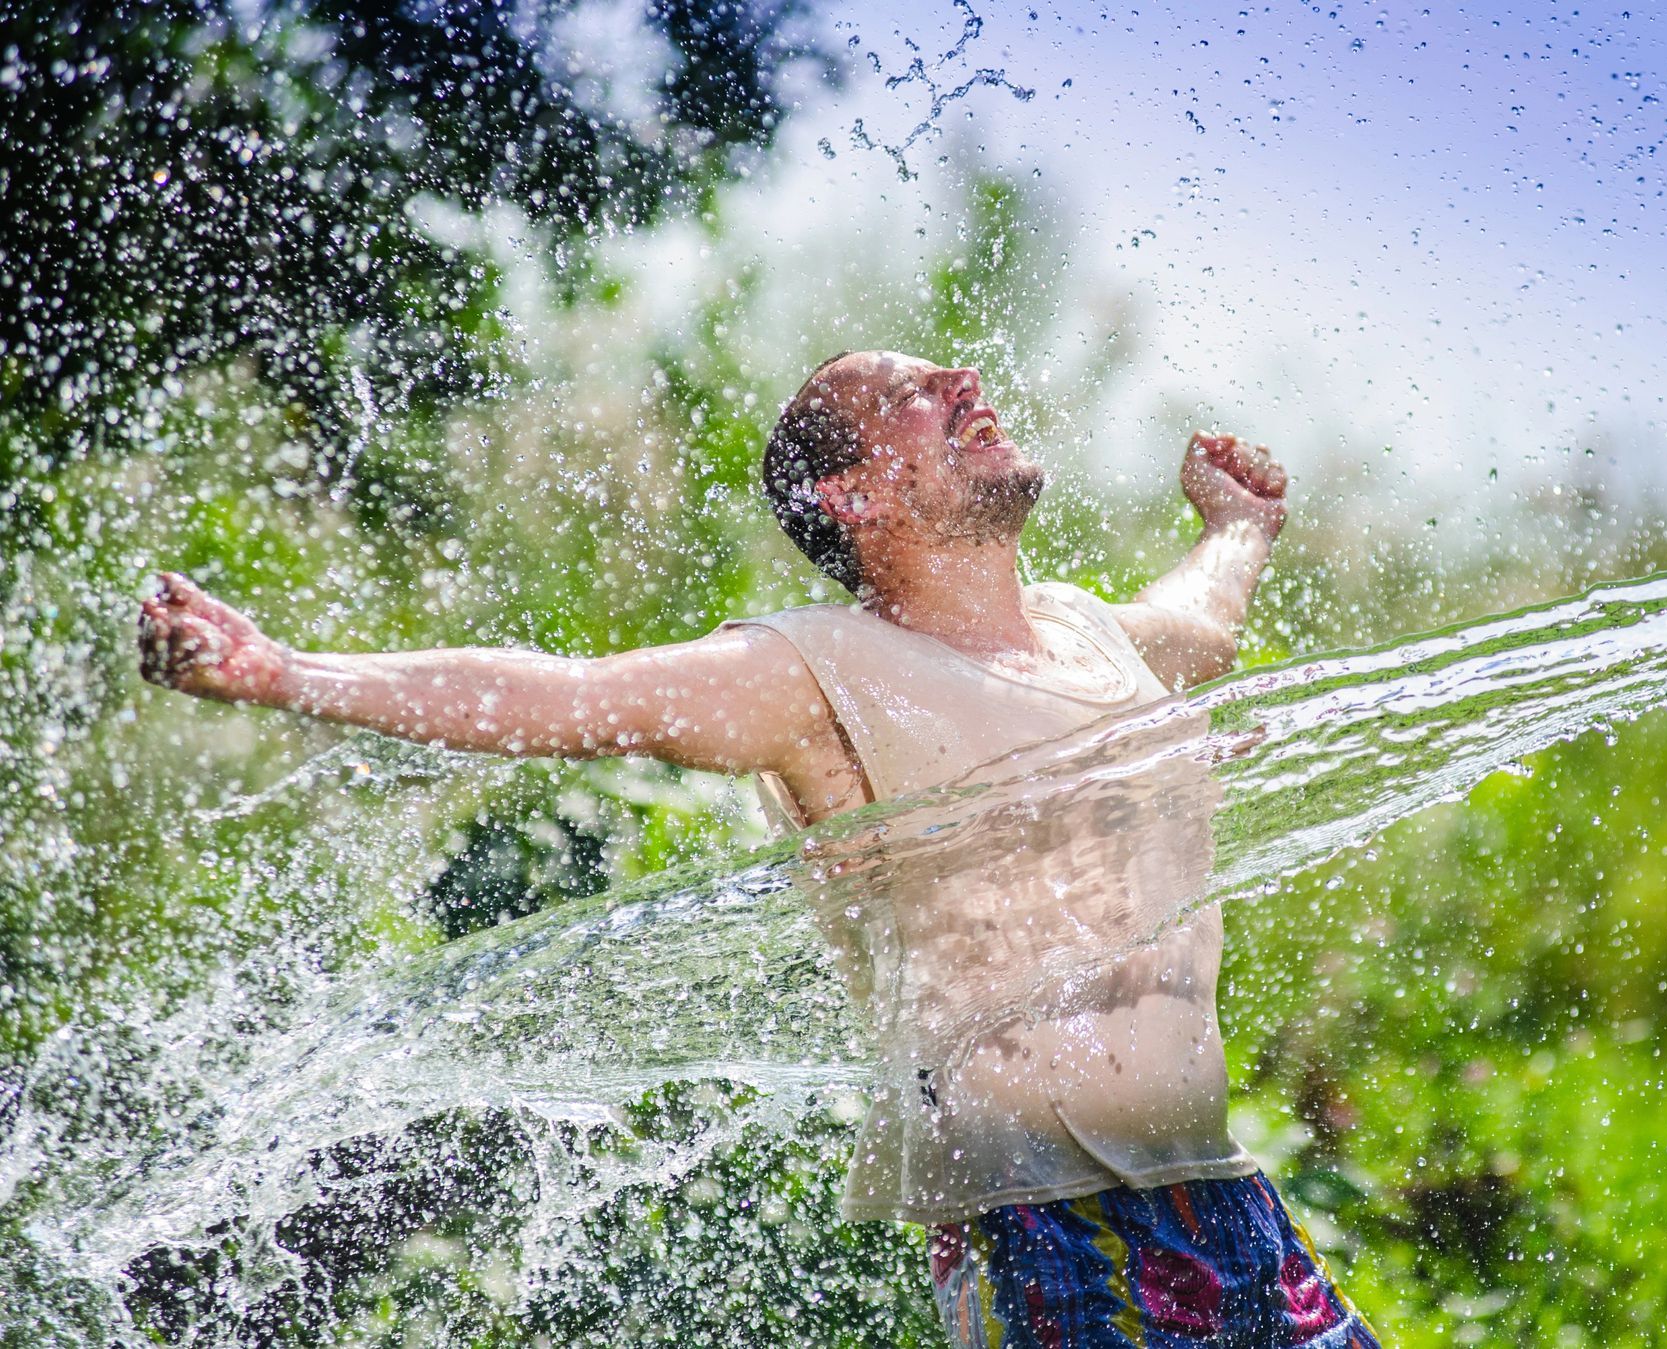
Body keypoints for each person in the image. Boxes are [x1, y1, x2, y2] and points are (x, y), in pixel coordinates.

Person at [138, 350, 1384, 1348]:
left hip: (1223, 1190)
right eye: (912, 395)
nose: (961, 384)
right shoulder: (810, 673)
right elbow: (565, 696)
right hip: (1036, 1217)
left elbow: (1201, 622)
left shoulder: (1089, 633)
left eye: (952, 375)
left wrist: (1241, 524)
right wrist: (293, 673)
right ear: (853, 495)